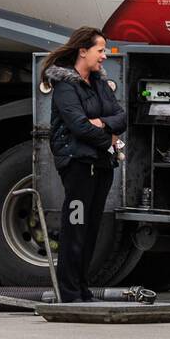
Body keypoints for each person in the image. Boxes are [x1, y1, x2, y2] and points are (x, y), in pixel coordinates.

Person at [40, 26, 126, 303]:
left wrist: (101, 124)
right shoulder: (66, 87)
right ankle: (69, 292)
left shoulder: (99, 83)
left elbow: (121, 117)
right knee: (75, 226)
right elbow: (77, 125)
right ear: (83, 51)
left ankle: (83, 289)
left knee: (91, 229)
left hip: (101, 165)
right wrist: (106, 137)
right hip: (78, 166)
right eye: (100, 50)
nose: (104, 56)